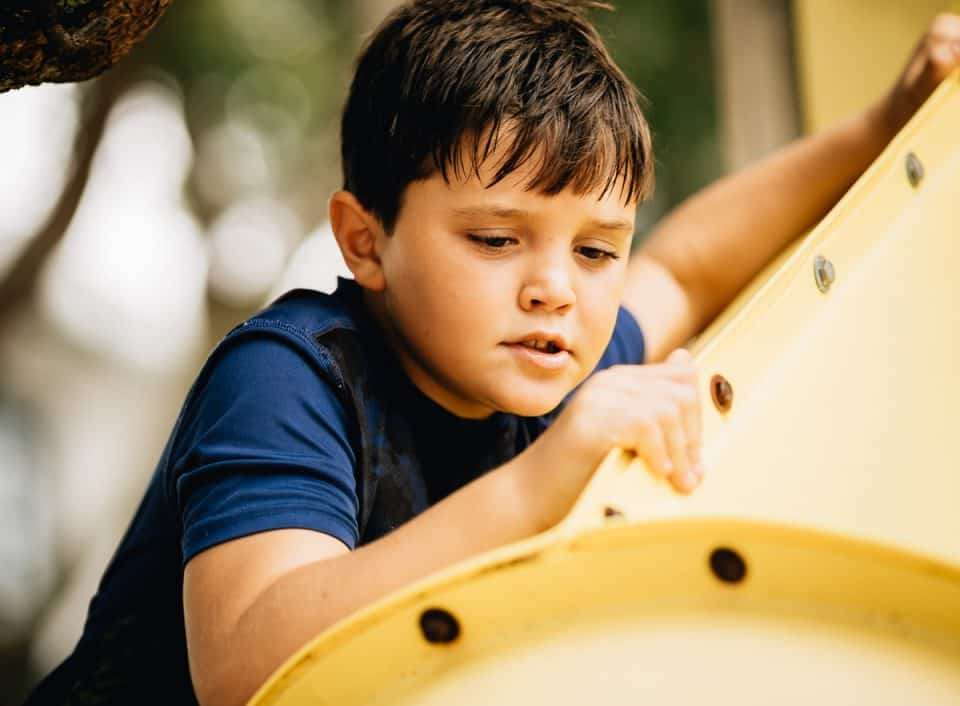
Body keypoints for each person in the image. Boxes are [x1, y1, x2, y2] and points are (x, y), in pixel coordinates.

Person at [24, 3, 960, 705]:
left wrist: (884, 124)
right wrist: (538, 482)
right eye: (497, 239)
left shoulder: (557, 354)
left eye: (596, 250)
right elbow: (245, 665)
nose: (556, 286)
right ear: (364, 241)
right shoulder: (292, 372)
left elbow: (694, 262)